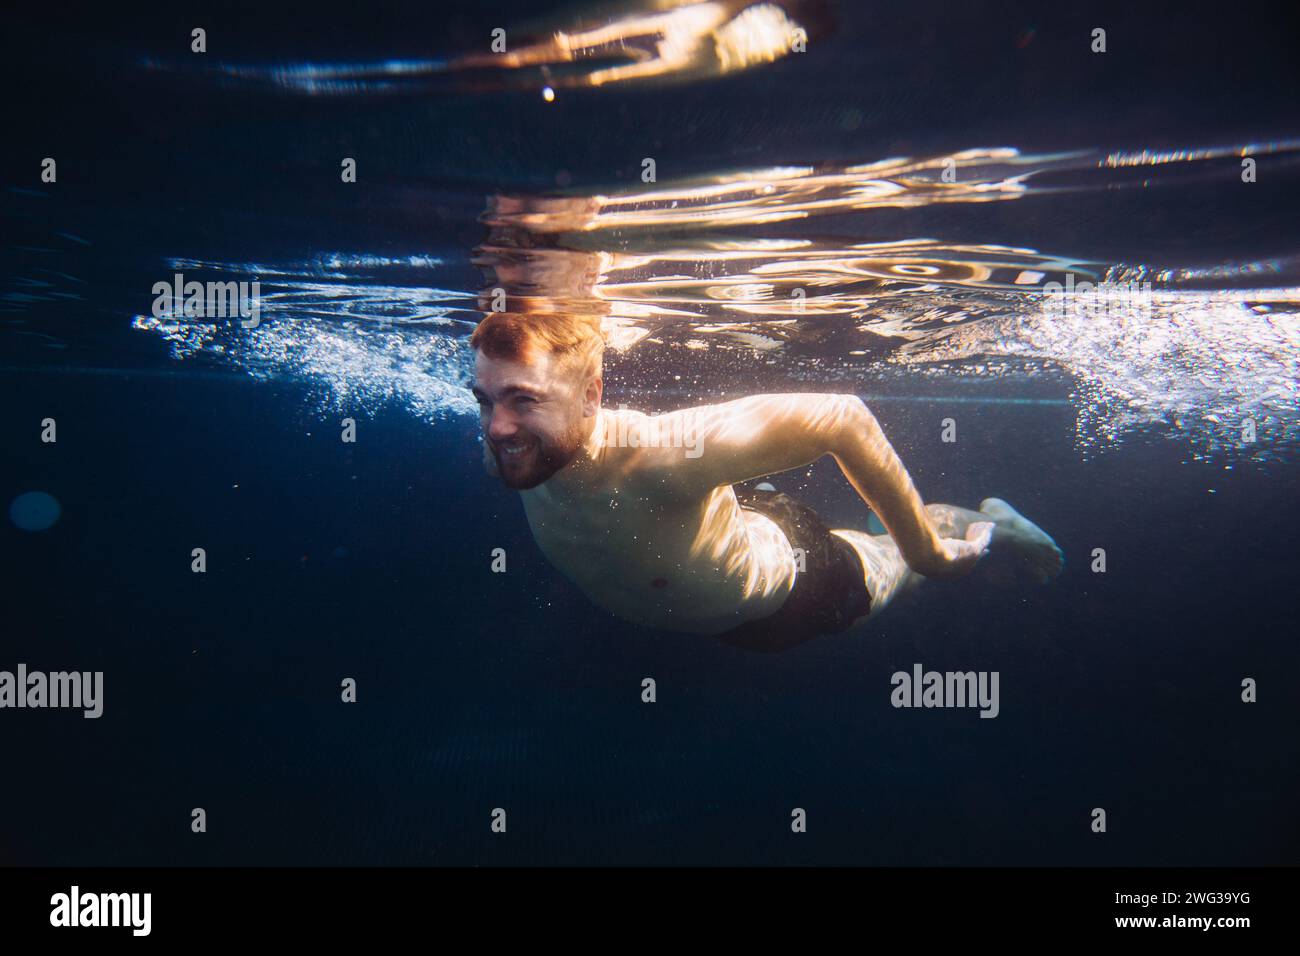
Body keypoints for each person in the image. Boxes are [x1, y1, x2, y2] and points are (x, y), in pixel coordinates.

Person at [470, 311, 1063, 652]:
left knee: (892, 564)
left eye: (524, 400)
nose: (497, 428)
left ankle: (992, 523)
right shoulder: (519, 449)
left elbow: (842, 417)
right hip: (707, 536)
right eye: (485, 400)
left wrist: (928, 555)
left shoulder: (657, 455)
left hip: (795, 584)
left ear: (592, 396)